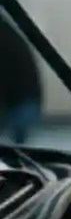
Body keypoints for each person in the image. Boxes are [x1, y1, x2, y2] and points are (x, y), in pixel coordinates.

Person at [0, 14, 41, 145]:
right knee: (19, 148)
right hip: (27, 97)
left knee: (16, 148)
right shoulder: (9, 33)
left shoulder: (4, 37)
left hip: (20, 100)